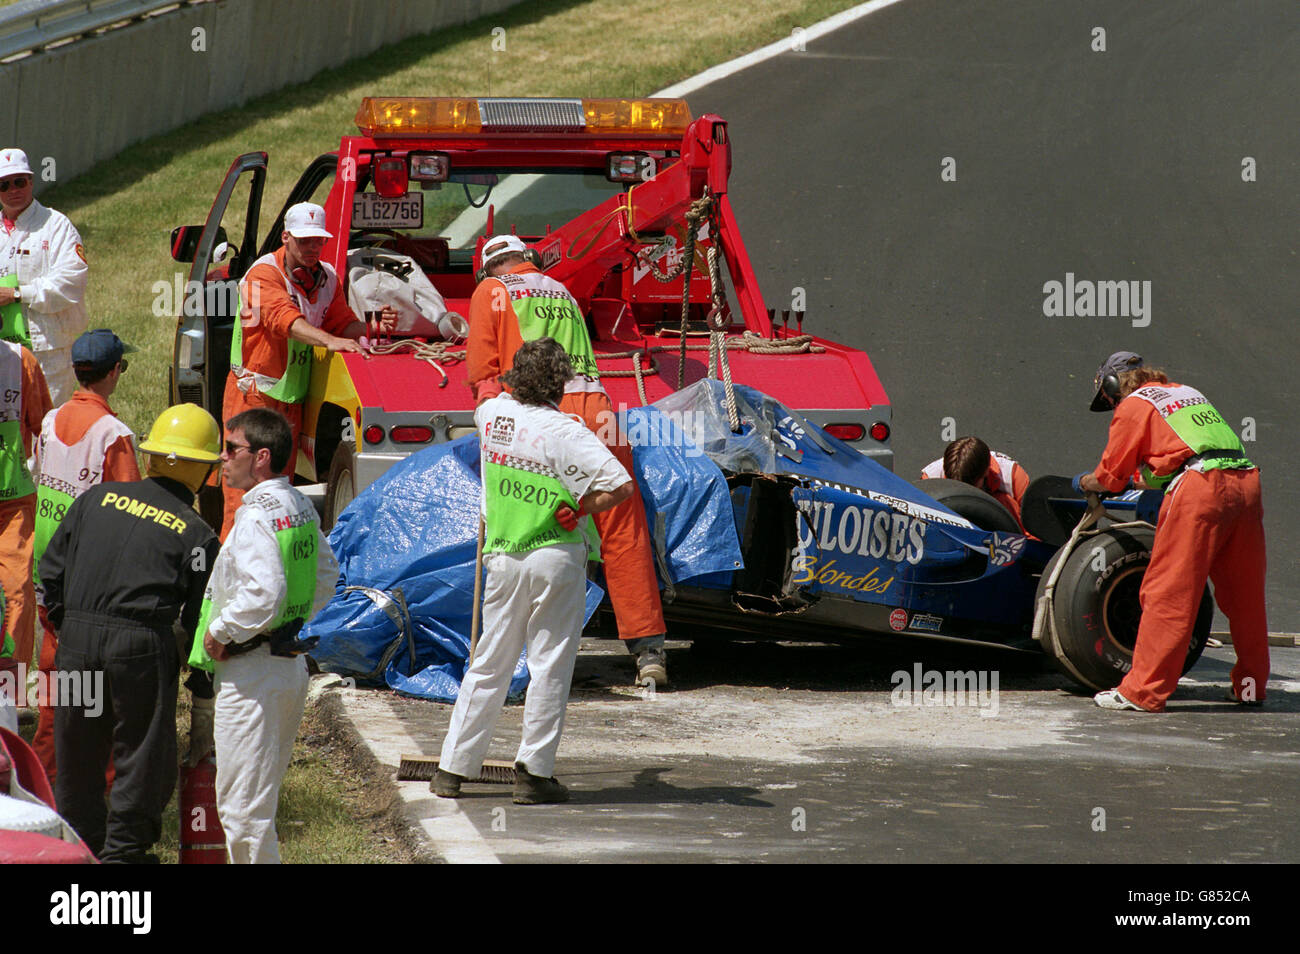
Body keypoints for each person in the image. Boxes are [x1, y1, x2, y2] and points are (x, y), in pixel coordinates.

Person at [435, 338, 634, 804]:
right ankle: (533, 775)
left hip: (504, 558)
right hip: (555, 557)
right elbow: (621, 486)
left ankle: (451, 770)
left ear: (514, 378)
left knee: (489, 663)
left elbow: (487, 393)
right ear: (560, 384)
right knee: (549, 665)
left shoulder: (491, 417)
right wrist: (580, 508)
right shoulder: (567, 431)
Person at [466, 234, 668, 686]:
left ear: (488, 267)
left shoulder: (491, 290)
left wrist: (489, 422)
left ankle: (526, 650)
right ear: (527, 259)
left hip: (542, 418)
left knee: (535, 518)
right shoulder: (561, 291)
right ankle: (649, 649)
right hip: (598, 412)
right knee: (623, 526)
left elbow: (483, 372)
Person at [39, 403, 221, 862]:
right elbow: (201, 619)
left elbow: (51, 570)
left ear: (152, 455)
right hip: (138, 648)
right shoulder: (198, 536)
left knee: (78, 750)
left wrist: (69, 626)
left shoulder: (95, 500)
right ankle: (123, 855)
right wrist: (202, 691)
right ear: (203, 470)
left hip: (77, 642)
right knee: (141, 751)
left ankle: (80, 848)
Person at [1076, 351, 1268, 713]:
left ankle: (1142, 692)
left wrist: (1086, 482)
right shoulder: (1186, 393)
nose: (1112, 405)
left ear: (1114, 385)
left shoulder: (1133, 405)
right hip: (1246, 484)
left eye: (1109, 397)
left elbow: (1110, 477)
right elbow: (1180, 456)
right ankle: (1251, 687)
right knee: (1244, 597)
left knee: (1168, 592)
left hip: (1201, 489)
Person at [199, 408, 338, 863]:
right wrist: (291, 620)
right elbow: (326, 575)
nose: (223, 458)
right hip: (286, 667)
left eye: (231, 449)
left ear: (260, 457)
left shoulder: (256, 516)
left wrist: (221, 631)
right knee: (259, 805)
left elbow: (263, 593)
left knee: (242, 813)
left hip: (252, 675)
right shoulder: (296, 503)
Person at [221, 201, 394, 538]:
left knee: (277, 492)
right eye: (304, 241)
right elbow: (285, 320)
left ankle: (273, 558)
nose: (313, 247)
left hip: (290, 401)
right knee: (243, 495)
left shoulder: (327, 277)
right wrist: (330, 341)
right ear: (285, 237)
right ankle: (232, 559)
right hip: (252, 399)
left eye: (318, 241)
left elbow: (341, 322)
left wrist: (371, 326)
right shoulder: (262, 275)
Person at [30, 329, 141, 782]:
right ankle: (98, 791)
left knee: (54, 692)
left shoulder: (50, 421)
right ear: (113, 372)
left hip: (47, 574)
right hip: (90, 587)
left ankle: (38, 785)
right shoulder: (113, 435)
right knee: (100, 697)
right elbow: (132, 513)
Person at [0, 148, 89, 405]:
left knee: (46, 421)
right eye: (4, 185)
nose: (13, 190)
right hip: (3, 348)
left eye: (19, 181)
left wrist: (17, 294)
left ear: (31, 181)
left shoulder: (57, 225)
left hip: (48, 349)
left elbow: (71, 282)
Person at [0, 335, 52, 683]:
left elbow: (44, 427)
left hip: (13, 501)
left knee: (16, 592)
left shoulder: (21, 362)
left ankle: (8, 690)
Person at [920, 436, 1030, 529]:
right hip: (949, 530)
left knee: (1005, 500)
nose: (964, 492)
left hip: (1002, 534)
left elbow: (1031, 532)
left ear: (986, 471)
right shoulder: (931, 480)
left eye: (969, 486)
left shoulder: (1012, 476)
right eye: (956, 485)